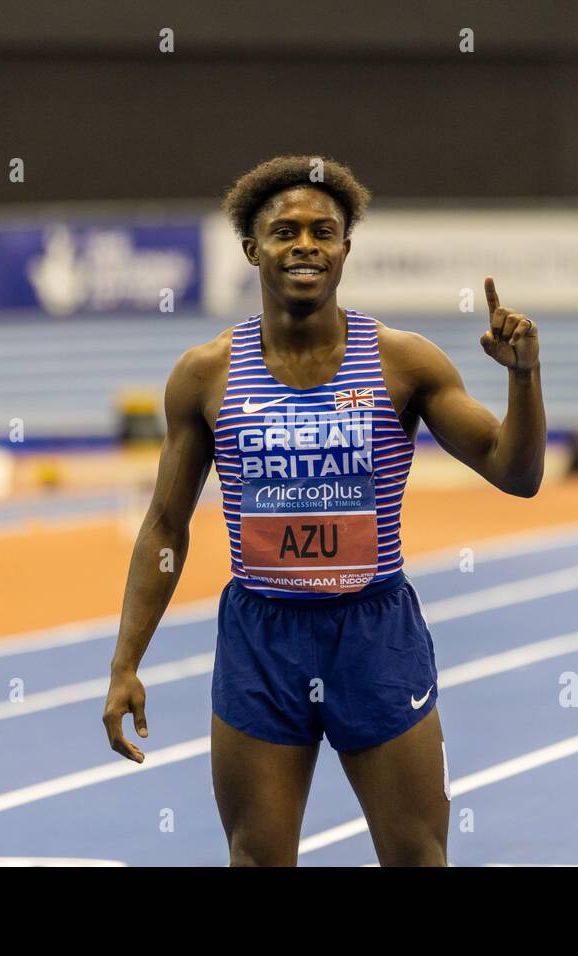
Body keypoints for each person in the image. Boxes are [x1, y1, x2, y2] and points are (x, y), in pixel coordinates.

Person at [102, 156, 546, 866]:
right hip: (261, 641)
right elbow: (164, 526)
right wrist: (126, 662)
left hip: (374, 635)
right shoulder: (204, 374)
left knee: (417, 857)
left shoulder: (406, 363)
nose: (304, 244)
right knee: (257, 859)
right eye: (284, 231)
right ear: (252, 249)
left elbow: (515, 473)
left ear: (345, 248)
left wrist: (524, 380)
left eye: (323, 231)